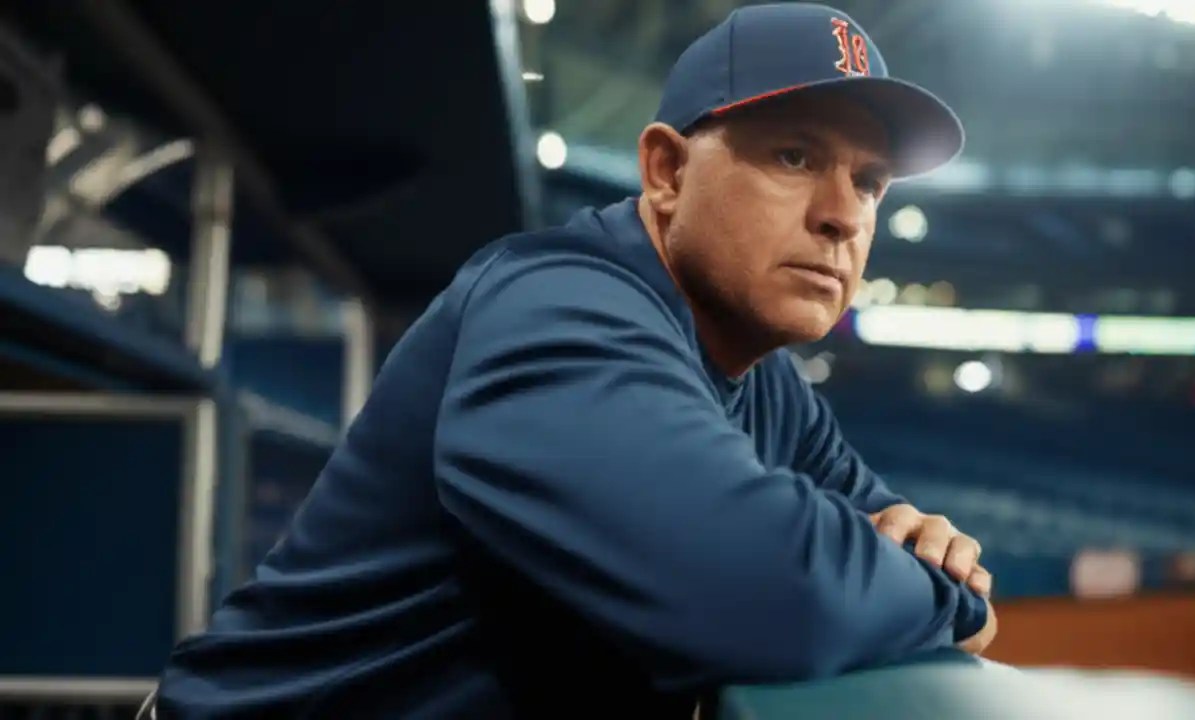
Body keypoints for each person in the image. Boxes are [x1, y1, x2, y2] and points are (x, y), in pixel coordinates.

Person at [155, 3, 996, 718]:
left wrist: (939, 582)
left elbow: (934, 580)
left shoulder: (768, 381)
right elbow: (773, 597)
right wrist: (941, 597)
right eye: (795, 156)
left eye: (872, 182)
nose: (843, 216)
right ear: (666, 170)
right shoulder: (554, 309)